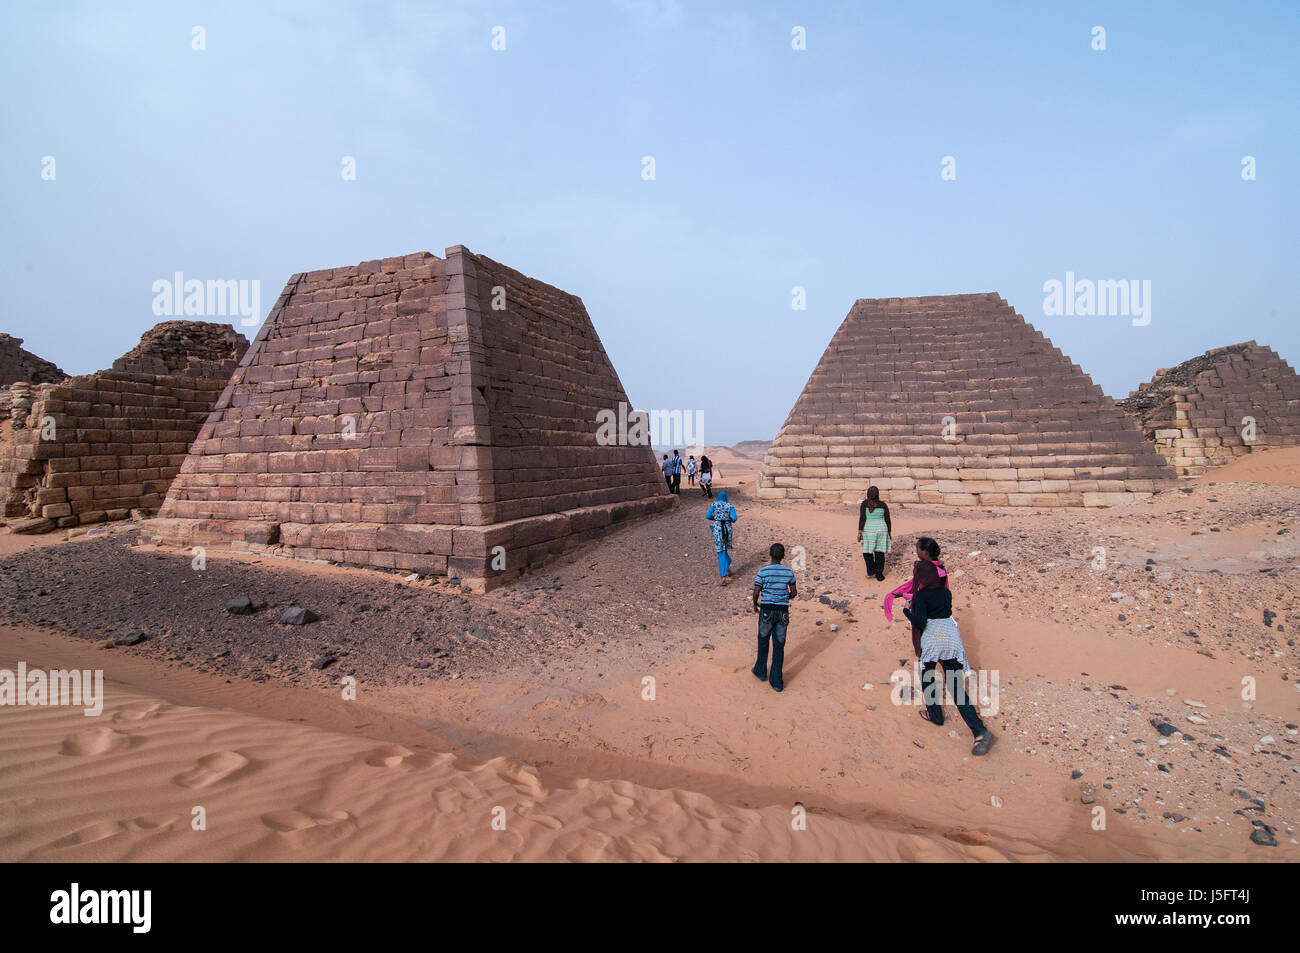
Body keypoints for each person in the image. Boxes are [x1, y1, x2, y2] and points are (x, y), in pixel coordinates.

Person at [902, 538, 995, 756]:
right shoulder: (946, 592)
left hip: (933, 640)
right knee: (955, 686)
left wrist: (907, 611)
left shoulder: (922, 595)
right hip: (951, 638)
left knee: (927, 676)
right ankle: (979, 731)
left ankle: (935, 715)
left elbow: (921, 623)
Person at [752, 542, 797, 692]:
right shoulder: (788, 572)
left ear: (770, 555)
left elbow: (757, 591)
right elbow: (794, 592)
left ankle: (761, 671)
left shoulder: (763, 571)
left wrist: (755, 604)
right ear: (783, 556)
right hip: (782, 611)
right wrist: (785, 598)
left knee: (763, 640)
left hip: (766, 610)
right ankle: (776, 681)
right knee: (779, 645)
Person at [857, 485, 891, 582]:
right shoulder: (883, 505)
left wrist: (860, 531)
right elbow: (887, 520)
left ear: (868, 494)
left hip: (869, 530)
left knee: (867, 552)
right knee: (880, 552)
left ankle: (871, 570)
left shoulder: (864, 504)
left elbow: (862, 518)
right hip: (882, 530)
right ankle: (879, 574)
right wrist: (889, 532)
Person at [706, 490, 738, 582]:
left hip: (717, 529)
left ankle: (723, 576)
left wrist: (716, 519)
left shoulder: (714, 505)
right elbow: (735, 518)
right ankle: (727, 568)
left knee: (720, 551)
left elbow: (708, 516)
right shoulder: (729, 505)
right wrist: (729, 520)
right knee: (724, 549)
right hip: (727, 530)